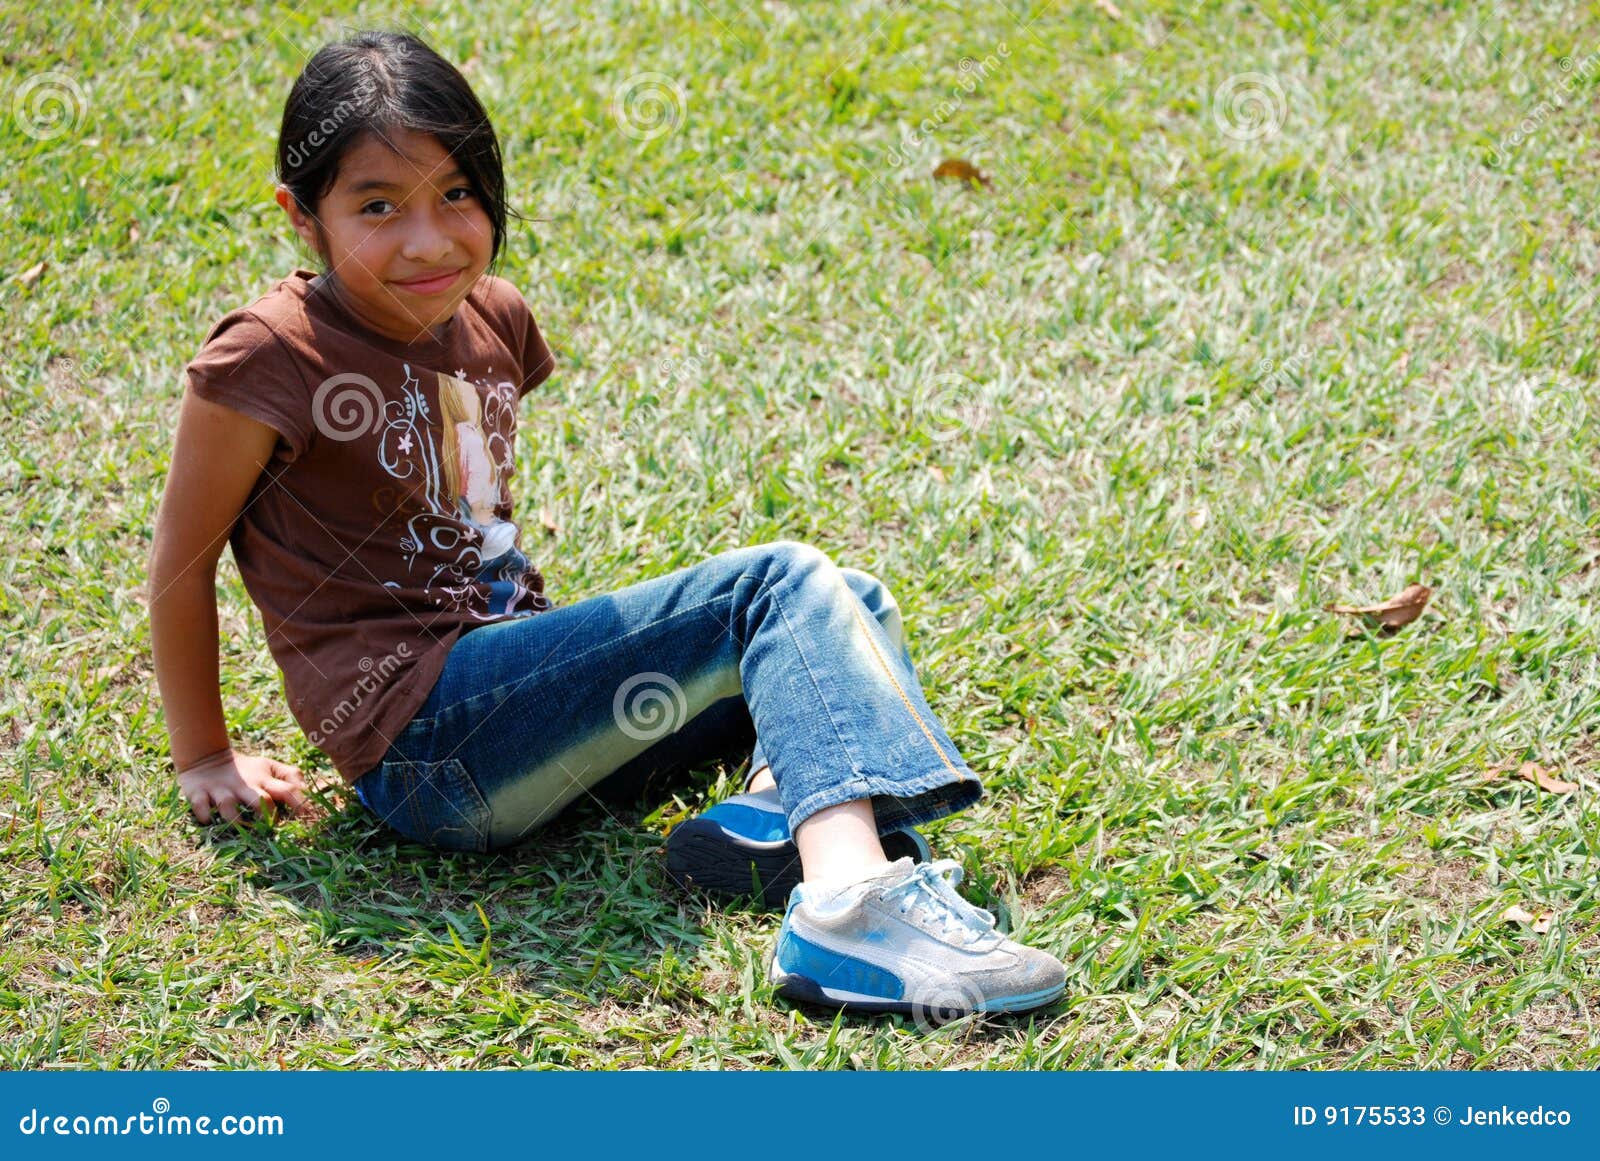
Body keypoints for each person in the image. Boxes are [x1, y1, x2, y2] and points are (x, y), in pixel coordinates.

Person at [145, 28, 1065, 1019]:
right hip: (428, 752)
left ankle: (772, 819)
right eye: (377, 207)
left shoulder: (490, 316)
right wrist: (204, 755)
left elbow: (474, 529)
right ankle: (845, 908)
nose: (428, 238)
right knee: (779, 589)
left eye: (457, 195)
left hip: (528, 727)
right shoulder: (267, 358)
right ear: (302, 218)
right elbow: (177, 564)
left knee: (841, 603)